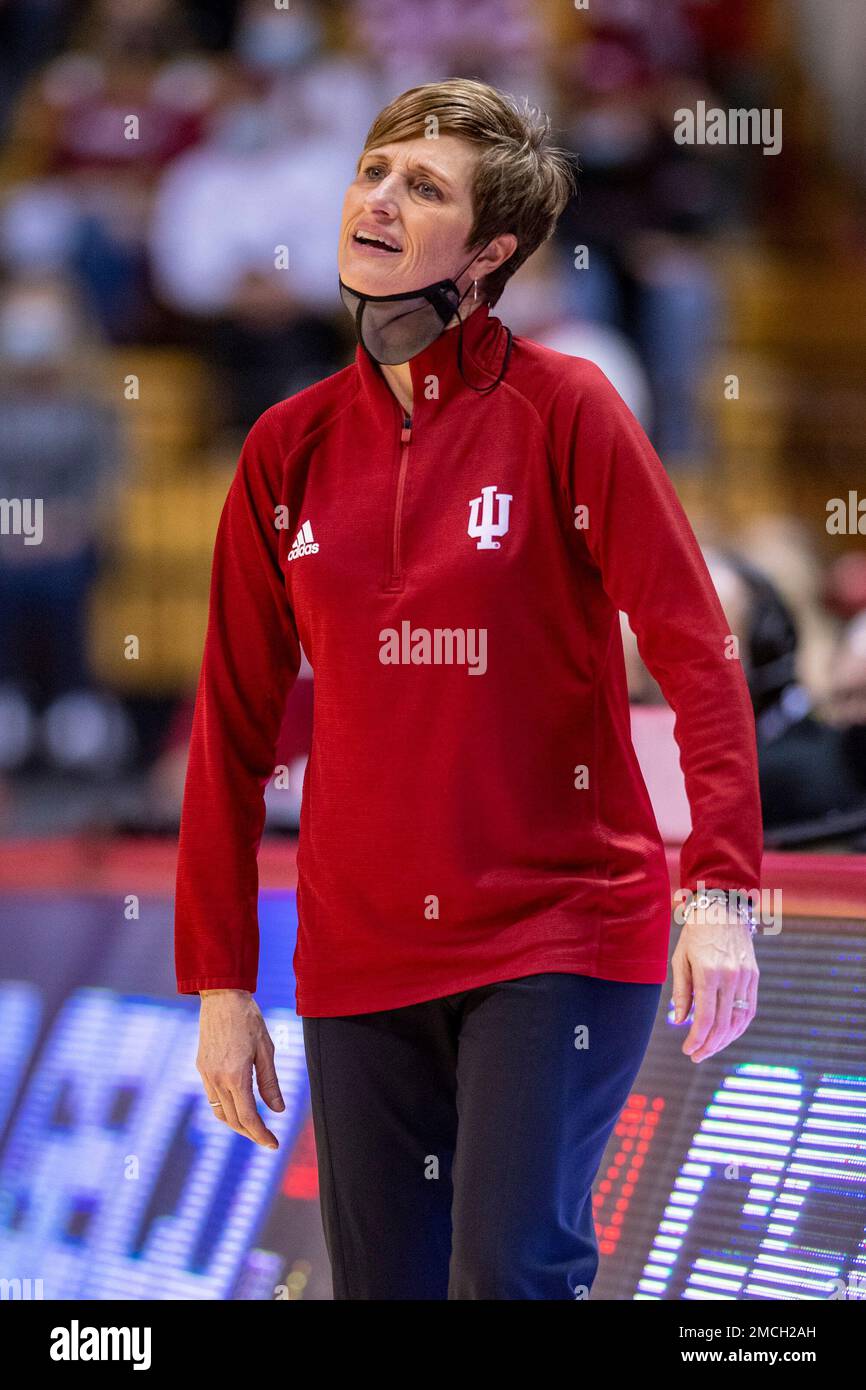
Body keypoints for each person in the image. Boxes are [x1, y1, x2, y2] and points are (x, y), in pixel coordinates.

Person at [174, 79, 762, 1300]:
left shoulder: (566, 409)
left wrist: (717, 889)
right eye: (374, 171)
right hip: (357, 946)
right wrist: (222, 984)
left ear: (488, 255)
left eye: (423, 187)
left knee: (504, 1270)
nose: (379, 199)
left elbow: (697, 650)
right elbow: (231, 729)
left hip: (557, 927)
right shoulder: (285, 447)